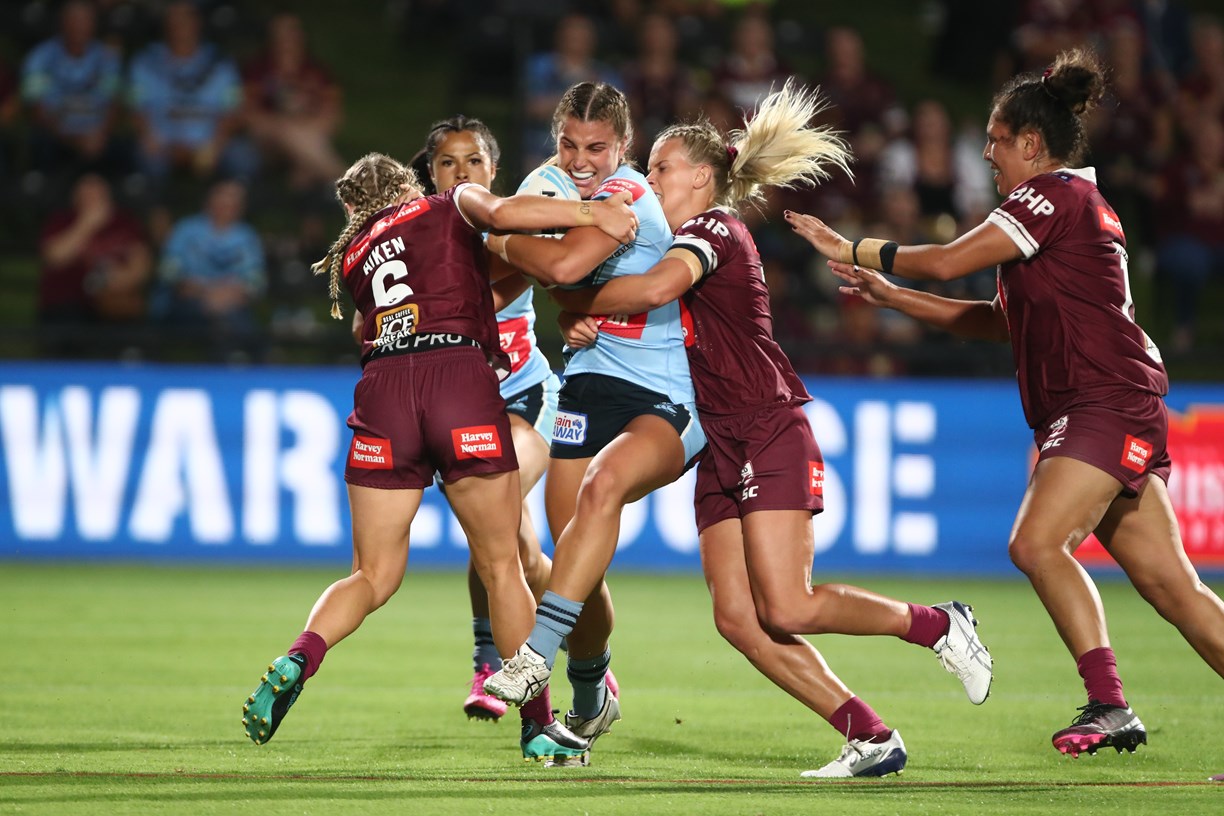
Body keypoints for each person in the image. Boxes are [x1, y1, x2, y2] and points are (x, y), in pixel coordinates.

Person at [545, 81, 994, 778]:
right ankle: (870, 736)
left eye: (660, 167)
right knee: (738, 618)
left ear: (700, 176)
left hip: (765, 428)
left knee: (788, 603)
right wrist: (578, 313)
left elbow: (658, 290)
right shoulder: (685, 232)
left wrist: (570, 295)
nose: (649, 180)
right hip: (721, 446)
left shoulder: (714, 229)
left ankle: (939, 624)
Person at [784, 47, 1224, 758]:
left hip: (1100, 402)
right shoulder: (1074, 210)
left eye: (995, 138)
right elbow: (996, 319)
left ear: (1030, 142)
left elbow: (952, 256)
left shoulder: (1048, 196)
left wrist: (856, 247)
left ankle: (1110, 703)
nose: (986, 151)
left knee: (1035, 542)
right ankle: (1111, 704)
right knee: (1177, 592)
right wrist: (897, 298)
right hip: (1113, 400)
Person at [241, 151, 638, 747]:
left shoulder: (351, 254)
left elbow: (361, 330)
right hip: (455, 375)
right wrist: (592, 211)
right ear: (409, 183)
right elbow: (503, 213)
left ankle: (300, 657)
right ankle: (537, 729)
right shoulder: (449, 202)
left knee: (371, 574)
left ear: (352, 208)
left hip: (384, 389)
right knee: (502, 565)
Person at [480, 80, 706, 766]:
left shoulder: (635, 193)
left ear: (624, 148)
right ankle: (591, 692)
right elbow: (503, 243)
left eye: (597, 149)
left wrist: (512, 237)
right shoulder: (548, 182)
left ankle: (541, 663)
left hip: (663, 386)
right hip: (586, 381)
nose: (581, 162)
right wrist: (512, 235)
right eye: (569, 145)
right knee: (569, 554)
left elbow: (564, 260)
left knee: (597, 501)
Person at [37, 172, 151, 356]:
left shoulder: (125, 222)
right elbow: (55, 257)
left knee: (132, 330)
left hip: (115, 302)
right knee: (67, 328)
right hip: (68, 304)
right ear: (75, 197)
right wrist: (87, 223)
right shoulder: (61, 221)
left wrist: (118, 280)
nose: (92, 198)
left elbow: (141, 265)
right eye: (86, 194)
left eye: (97, 193)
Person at [152, 179, 266, 361]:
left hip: (231, 304)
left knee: (234, 320)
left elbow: (256, 282)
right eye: (224, 198)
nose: (228, 204)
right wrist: (203, 292)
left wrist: (231, 295)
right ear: (210, 200)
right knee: (223, 322)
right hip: (186, 304)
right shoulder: (186, 230)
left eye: (234, 200)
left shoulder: (246, 236)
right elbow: (168, 272)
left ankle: (251, 371)